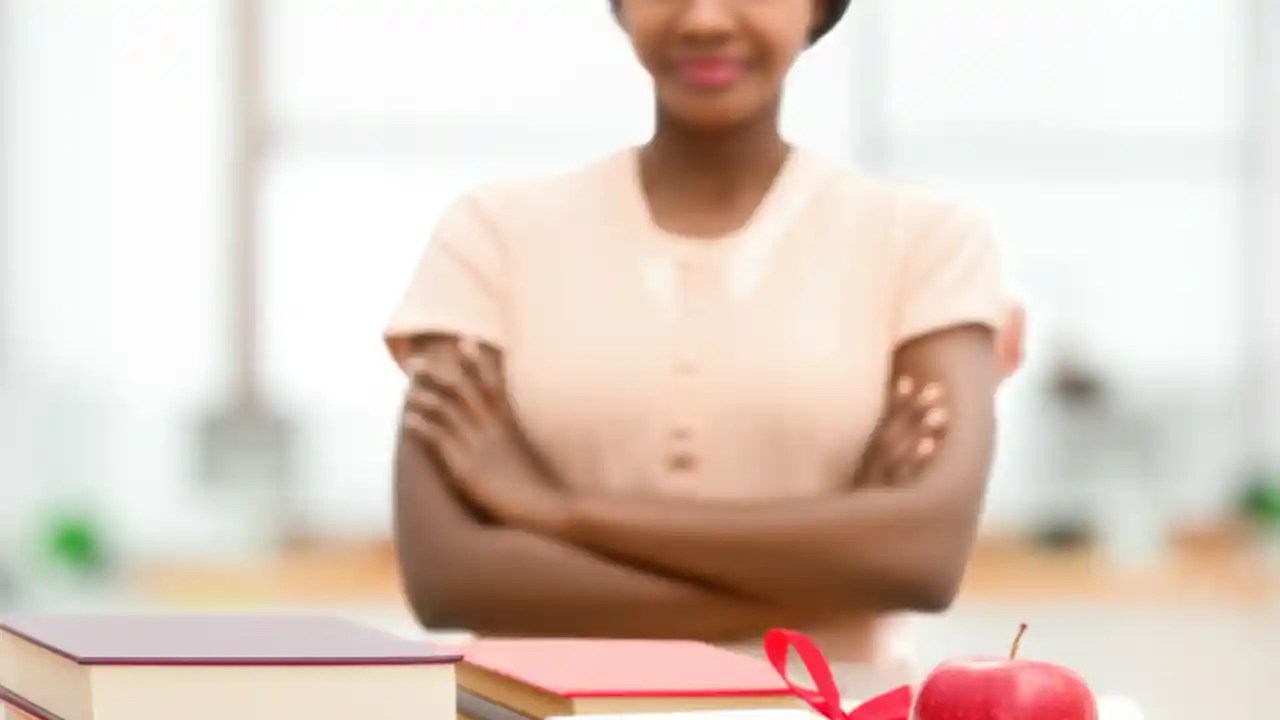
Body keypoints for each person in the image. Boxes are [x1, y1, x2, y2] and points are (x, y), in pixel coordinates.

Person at [384, 0, 1024, 695]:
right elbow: (449, 580)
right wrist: (835, 563)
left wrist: (551, 511)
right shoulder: (491, 234)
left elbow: (923, 560)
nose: (705, 21)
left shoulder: (925, 240)